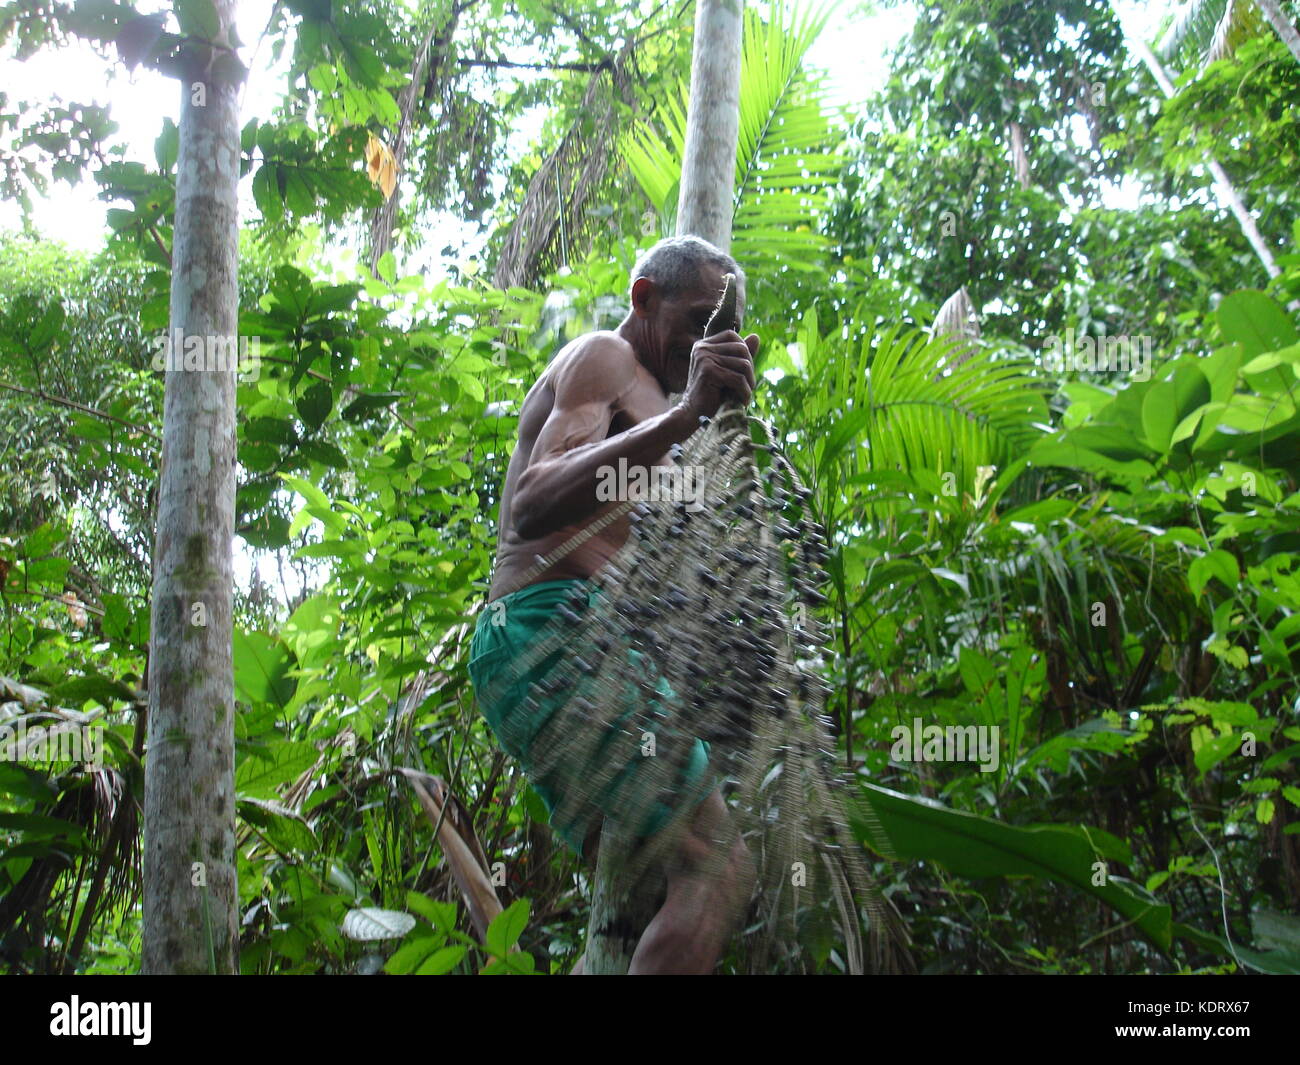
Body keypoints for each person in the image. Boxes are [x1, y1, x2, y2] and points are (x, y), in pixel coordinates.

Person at [468, 235, 760, 974]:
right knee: (720, 868)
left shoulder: (664, 408)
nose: (702, 342)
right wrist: (683, 418)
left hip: (583, 644)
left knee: (650, 880)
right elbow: (532, 504)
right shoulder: (607, 356)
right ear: (643, 298)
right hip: (544, 628)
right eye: (694, 320)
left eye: (717, 331)